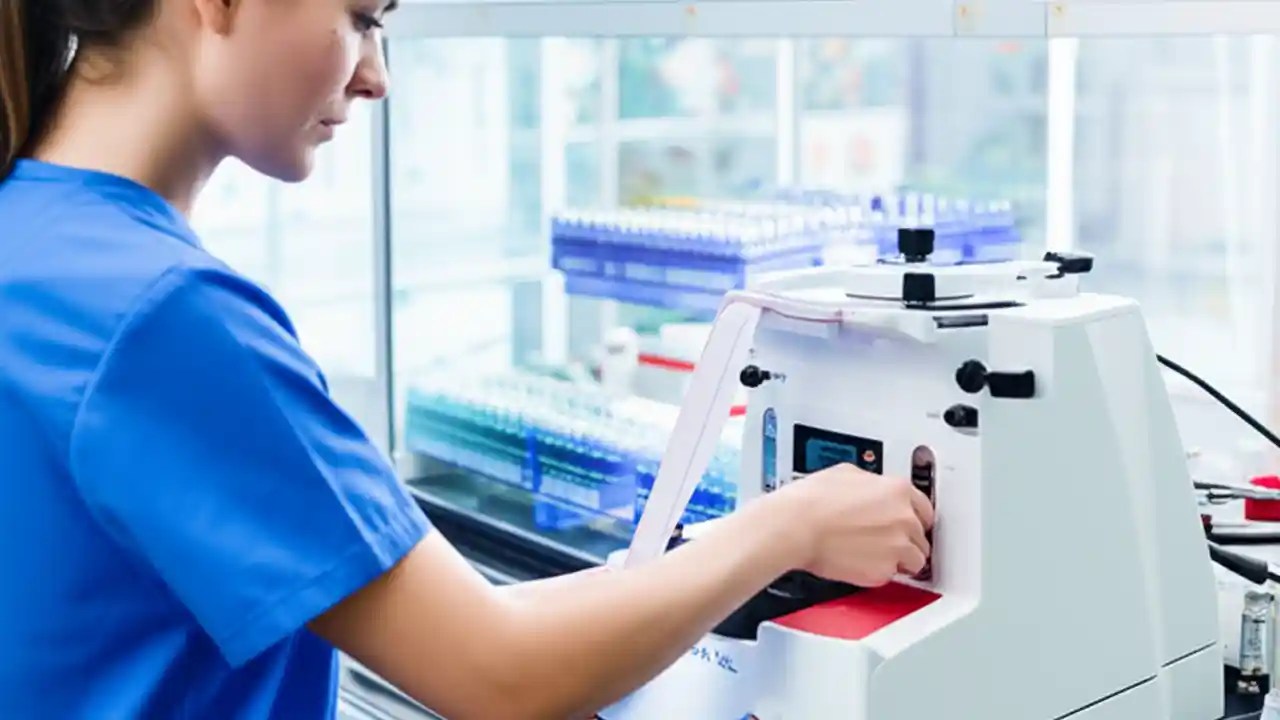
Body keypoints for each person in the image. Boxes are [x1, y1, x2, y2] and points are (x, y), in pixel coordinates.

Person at [0, 1, 934, 718]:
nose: (376, 77)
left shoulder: (35, 236)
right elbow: (499, 678)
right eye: (360, 19)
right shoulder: (166, 315)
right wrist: (787, 528)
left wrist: (668, 576)